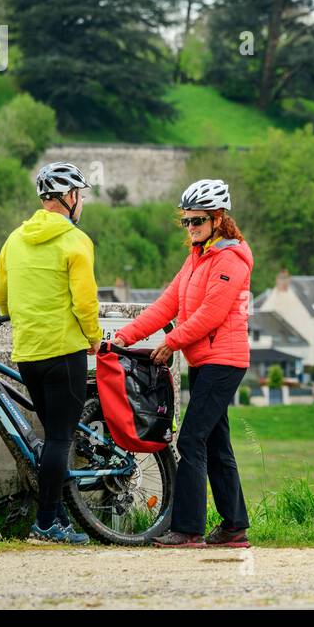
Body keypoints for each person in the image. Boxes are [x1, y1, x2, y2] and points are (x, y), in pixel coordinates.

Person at [112, 178, 253, 548]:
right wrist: (125, 336)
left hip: (225, 361)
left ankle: (188, 529)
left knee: (191, 440)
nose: (190, 228)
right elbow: (165, 305)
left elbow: (211, 313)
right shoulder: (196, 260)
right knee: (216, 444)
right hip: (205, 361)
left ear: (218, 219)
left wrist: (171, 342)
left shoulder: (231, 259)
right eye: (186, 221)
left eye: (198, 221)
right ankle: (234, 526)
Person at [0, 161, 101, 544]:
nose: (82, 201)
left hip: (28, 352)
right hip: (65, 351)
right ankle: (46, 524)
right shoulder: (75, 241)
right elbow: (86, 302)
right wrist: (94, 337)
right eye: (80, 195)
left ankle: (56, 519)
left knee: (49, 435)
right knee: (59, 438)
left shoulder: (15, 239)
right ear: (68, 198)